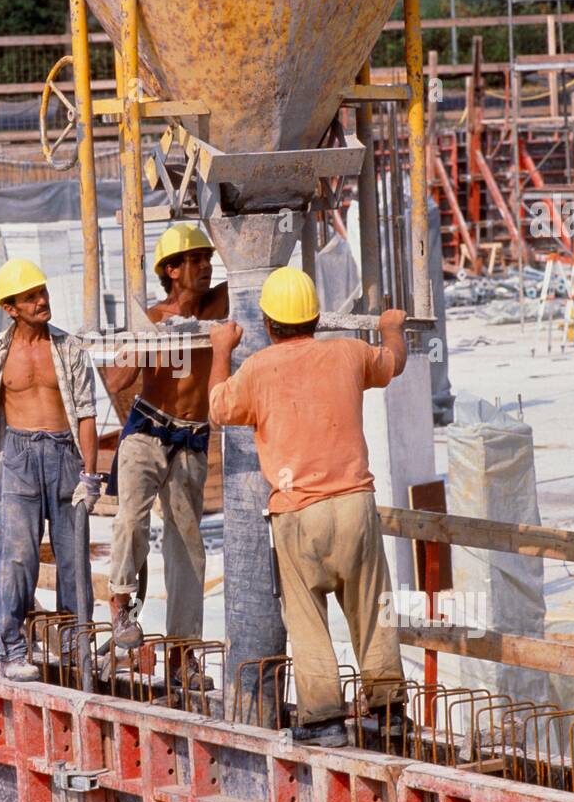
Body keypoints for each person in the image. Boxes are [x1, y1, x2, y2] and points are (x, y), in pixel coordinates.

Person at [207, 266, 408, 747]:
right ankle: (389, 711)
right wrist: (391, 328)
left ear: (269, 324)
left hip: (298, 512)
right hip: (355, 504)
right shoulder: (348, 353)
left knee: (306, 617)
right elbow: (393, 363)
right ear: (317, 318)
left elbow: (217, 407)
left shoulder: (256, 370)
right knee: (371, 606)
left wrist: (220, 351)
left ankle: (323, 720)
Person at [103, 223, 228, 675]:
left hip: (191, 440)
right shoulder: (154, 318)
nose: (205, 268)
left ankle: (182, 654)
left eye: (207, 259)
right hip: (147, 430)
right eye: (194, 261)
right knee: (131, 519)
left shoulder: (220, 305)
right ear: (171, 270)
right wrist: (143, 341)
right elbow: (115, 380)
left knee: (188, 548)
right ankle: (120, 606)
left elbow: (253, 271)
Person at [0, 259, 100, 681]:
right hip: (20, 455)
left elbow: (85, 413)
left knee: (73, 558)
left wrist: (90, 475)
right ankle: (10, 648)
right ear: (11, 307)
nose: (42, 301)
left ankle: (75, 646)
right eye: (31, 297)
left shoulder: (69, 348)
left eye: (42, 292)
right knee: (17, 556)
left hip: (65, 454)